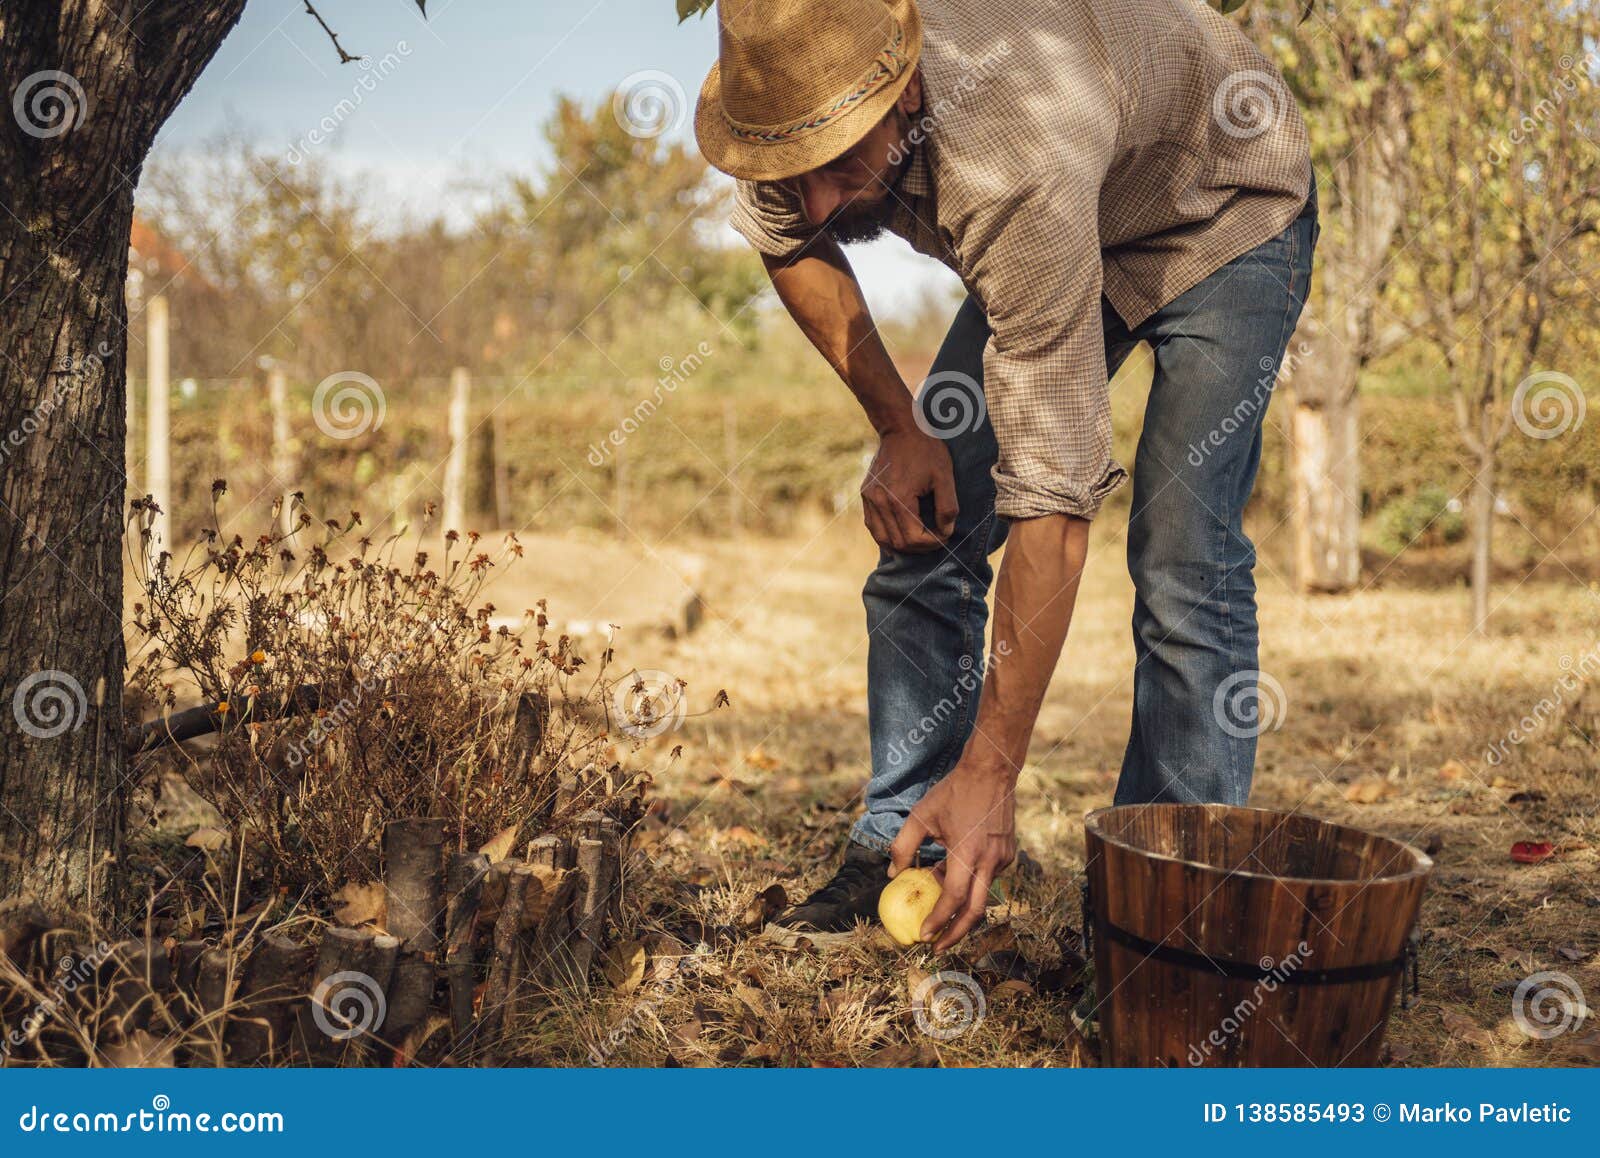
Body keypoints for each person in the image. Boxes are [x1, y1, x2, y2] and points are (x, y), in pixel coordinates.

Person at [694, 0, 1318, 949]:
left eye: (838, 168)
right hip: (1081, 198)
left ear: (904, 97)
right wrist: (900, 425)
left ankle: (1163, 896)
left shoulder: (1007, 161)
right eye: (795, 170)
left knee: (1183, 554)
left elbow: (1053, 506)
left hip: (1221, 204)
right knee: (923, 514)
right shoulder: (792, 102)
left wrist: (994, 768)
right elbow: (791, 239)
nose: (818, 199)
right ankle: (903, 844)